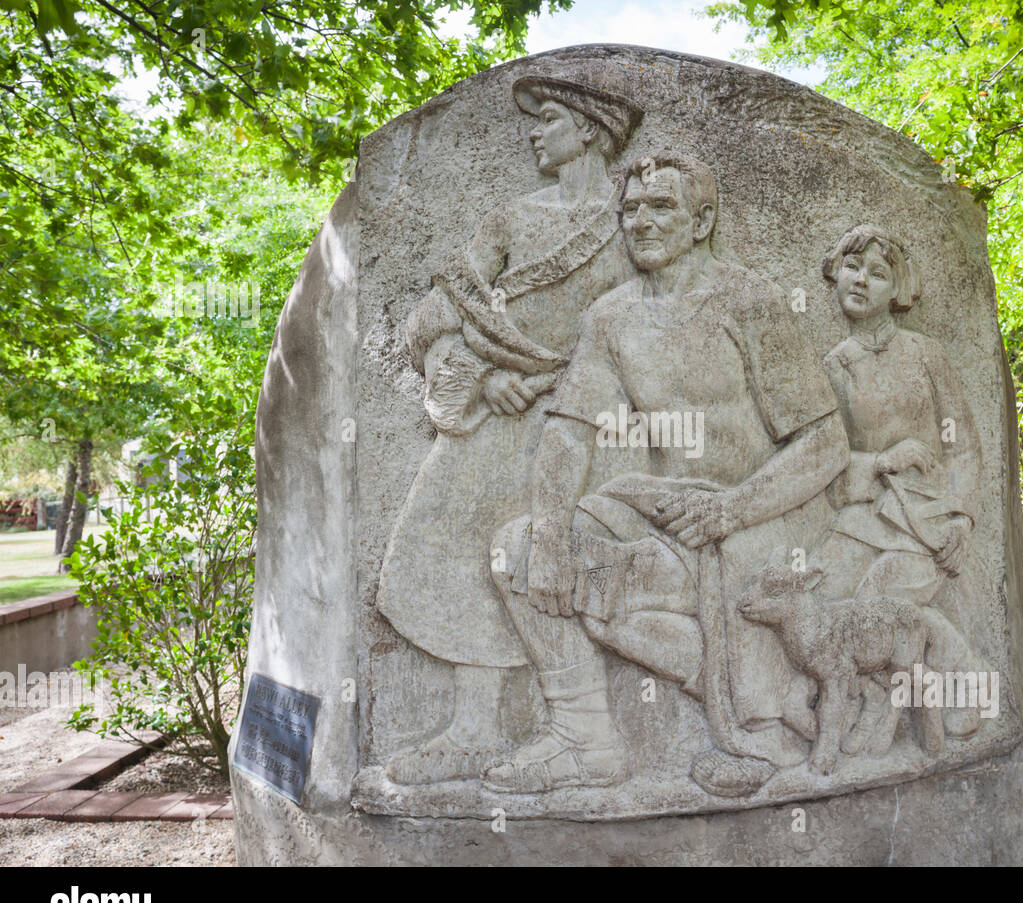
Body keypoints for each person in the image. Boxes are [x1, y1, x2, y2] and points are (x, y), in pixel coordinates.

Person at [485, 150, 850, 797]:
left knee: (633, 603)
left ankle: (767, 715)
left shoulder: (752, 301)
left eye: (661, 207)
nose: (641, 222)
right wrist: (548, 538)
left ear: (702, 219)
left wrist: (732, 510)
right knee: (520, 550)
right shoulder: (611, 317)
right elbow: (569, 433)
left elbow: (826, 444)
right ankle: (583, 740)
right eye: (630, 210)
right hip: (664, 514)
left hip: (761, 519)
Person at [378, 75, 643, 784]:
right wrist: (481, 373)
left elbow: (645, 325)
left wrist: (571, 384)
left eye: (550, 119)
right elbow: (437, 316)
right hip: (495, 420)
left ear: (590, 129)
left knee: (545, 567)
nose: (533, 132)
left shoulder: (635, 220)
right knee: (451, 554)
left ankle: (582, 734)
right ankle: (473, 731)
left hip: (589, 424)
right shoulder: (509, 220)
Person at [811, 223, 986, 753]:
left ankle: (919, 702)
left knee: (878, 603)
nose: (860, 280)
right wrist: (881, 461)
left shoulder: (925, 355)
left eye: (878, 273)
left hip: (926, 524)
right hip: (862, 519)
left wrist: (961, 515)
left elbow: (965, 447)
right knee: (822, 607)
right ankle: (878, 700)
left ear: (898, 289)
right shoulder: (832, 366)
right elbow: (827, 463)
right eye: (851, 267)